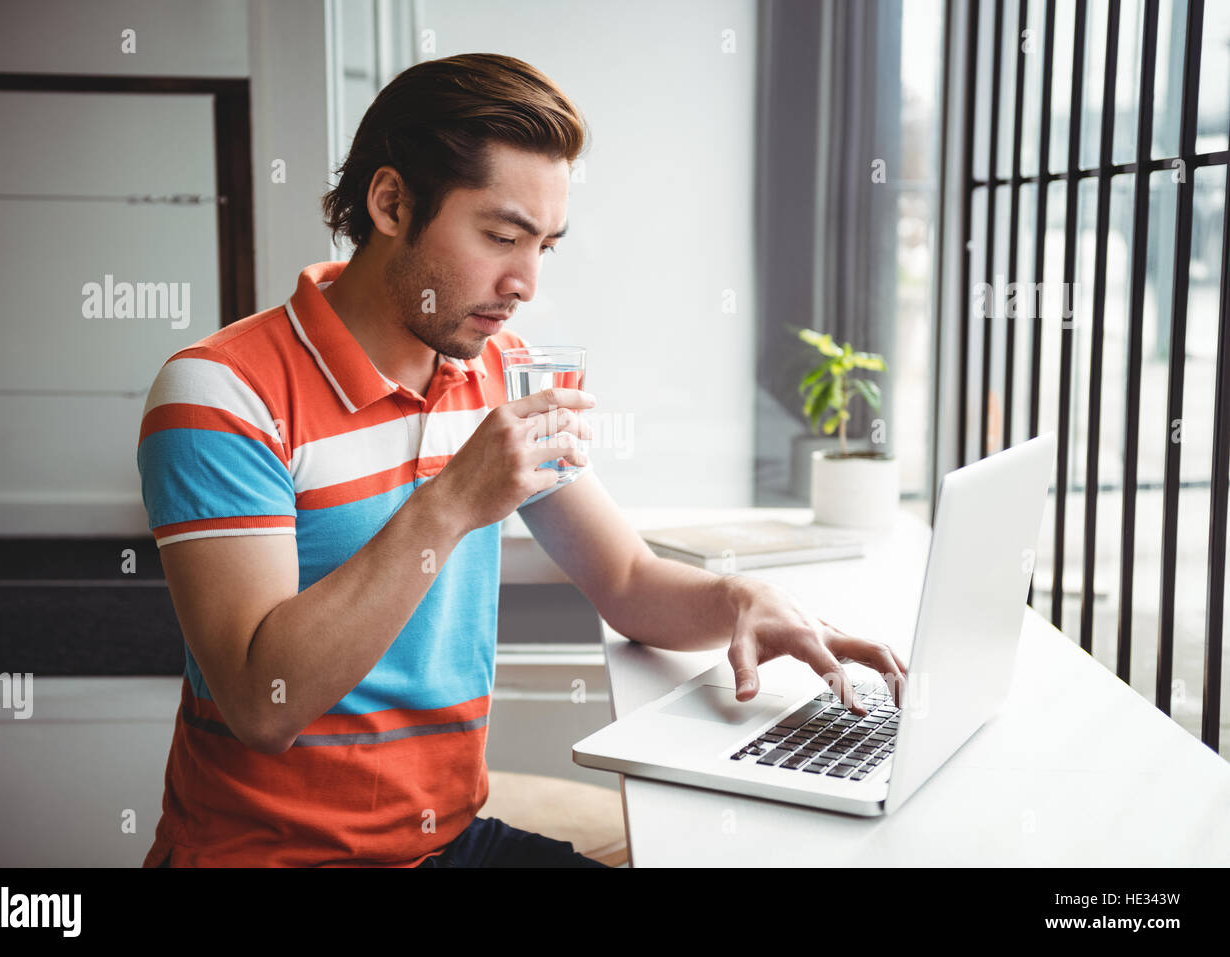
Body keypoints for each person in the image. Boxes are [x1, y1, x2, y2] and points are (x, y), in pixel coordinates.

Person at [137, 52, 906, 868]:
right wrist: (453, 501)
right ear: (391, 202)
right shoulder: (222, 394)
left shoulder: (506, 371)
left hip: (448, 842)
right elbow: (263, 701)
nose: (526, 282)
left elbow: (629, 584)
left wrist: (741, 599)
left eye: (545, 245)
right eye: (501, 236)